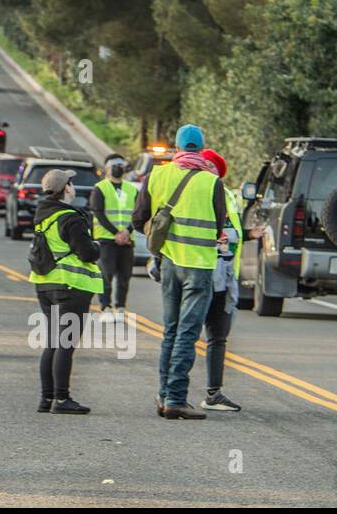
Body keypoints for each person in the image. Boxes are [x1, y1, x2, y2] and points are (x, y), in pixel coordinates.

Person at [131, 124, 229, 420]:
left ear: (176, 147)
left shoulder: (158, 175)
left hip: (169, 264)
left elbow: (138, 220)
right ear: (201, 148)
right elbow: (219, 228)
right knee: (187, 333)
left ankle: (164, 395)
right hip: (198, 266)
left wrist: (161, 238)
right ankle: (176, 398)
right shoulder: (211, 183)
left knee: (170, 331)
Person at [28, 169, 102, 414]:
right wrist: (97, 247)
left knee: (53, 341)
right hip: (70, 286)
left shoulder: (43, 215)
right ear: (66, 188)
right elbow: (87, 253)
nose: (73, 187)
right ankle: (62, 399)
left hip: (45, 284)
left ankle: (46, 399)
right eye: (71, 183)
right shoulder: (71, 217)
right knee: (66, 342)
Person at [199, 148, 242, 413]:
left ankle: (213, 394)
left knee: (217, 336)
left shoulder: (226, 195)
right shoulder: (200, 191)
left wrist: (247, 232)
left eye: (211, 166)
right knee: (184, 333)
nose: (207, 169)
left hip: (224, 276)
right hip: (202, 271)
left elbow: (230, 233)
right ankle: (170, 394)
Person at [90, 153, 138, 320]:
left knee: (124, 277)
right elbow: (99, 213)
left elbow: (137, 214)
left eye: (121, 165)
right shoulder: (100, 188)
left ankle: (120, 307)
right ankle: (105, 306)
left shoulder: (132, 189)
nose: (118, 168)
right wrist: (116, 233)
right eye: (114, 165)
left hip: (126, 240)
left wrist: (127, 231)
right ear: (107, 168)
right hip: (106, 240)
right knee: (106, 275)